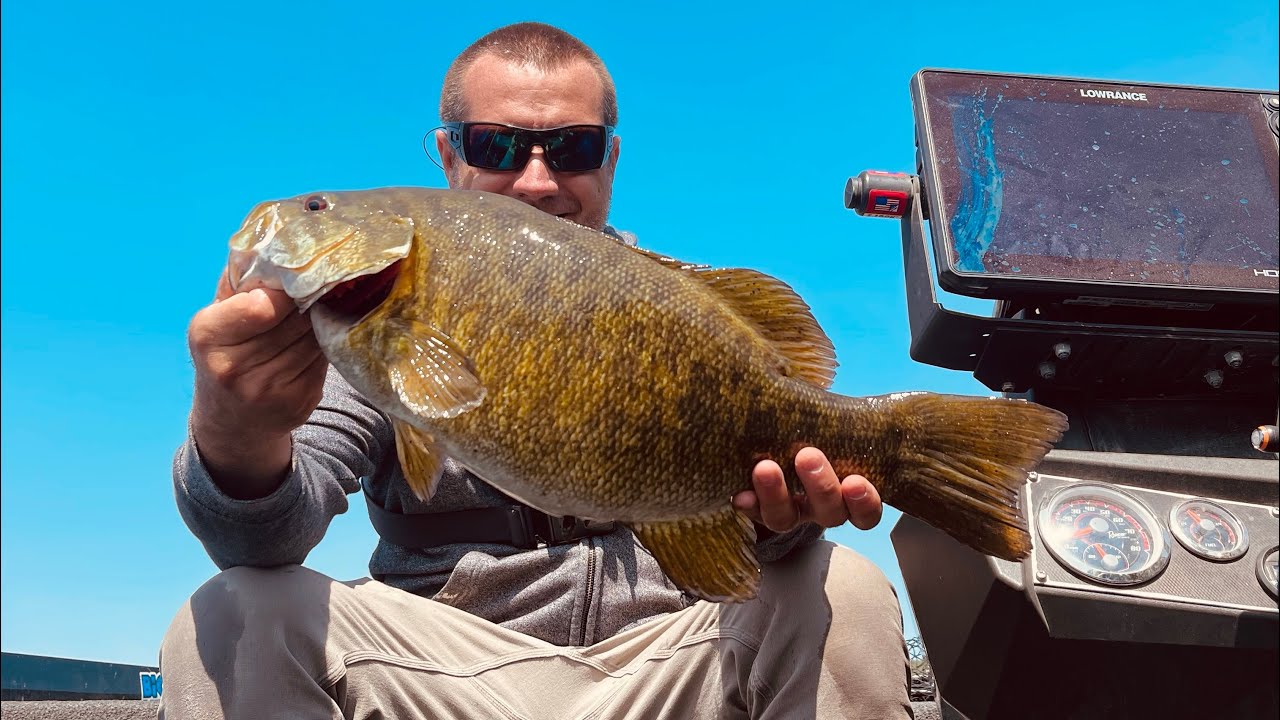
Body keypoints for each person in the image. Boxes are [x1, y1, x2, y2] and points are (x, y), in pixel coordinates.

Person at [159, 21, 913, 719]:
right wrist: (234, 431)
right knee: (231, 614)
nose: (538, 181)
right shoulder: (362, 328)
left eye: (574, 148)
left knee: (839, 587)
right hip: (446, 672)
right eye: (496, 146)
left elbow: (746, 556)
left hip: (670, 660)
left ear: (610, 159)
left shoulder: (684, 308)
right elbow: (260, 544)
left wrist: (782, 523)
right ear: (449, 155)